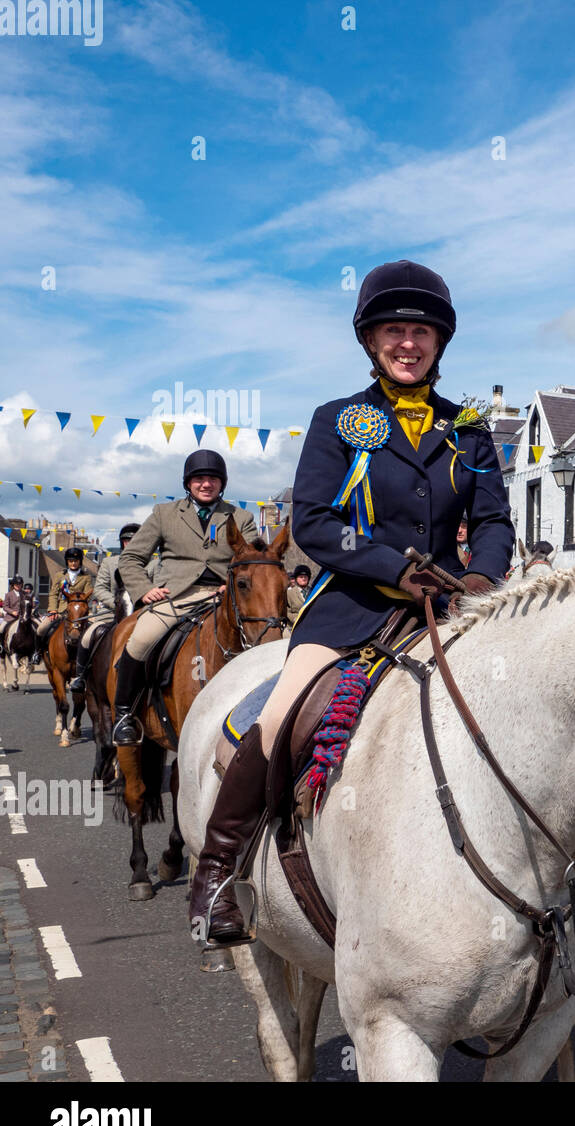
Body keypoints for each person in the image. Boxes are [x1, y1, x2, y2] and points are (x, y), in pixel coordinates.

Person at [189, 258, 513, 946]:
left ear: (439, 343)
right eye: (393, 330)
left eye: (421, 331)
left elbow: (492, 523)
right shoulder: (339, 420)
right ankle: (216, 867)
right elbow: (312, 519)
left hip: (456, 609)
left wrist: (482, 582)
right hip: (353, 607)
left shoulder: (471, 428)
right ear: (371, 340)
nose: (407, 342)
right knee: (280, 714)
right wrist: (395, 568)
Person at [112, 451, 260, 745]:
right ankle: (125, 715)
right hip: (175, 596)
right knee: (140, 639)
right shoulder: (163, 514)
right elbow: (130, 559)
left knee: (267, 643)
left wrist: (230, 587)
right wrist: (143, 590)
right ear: (188, 483)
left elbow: (255, 561)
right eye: (199, 479)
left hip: (224, 597)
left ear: (222, 483)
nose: (206, 484)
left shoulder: (241, 517)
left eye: (213, 479)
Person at [67, 523, 142, 694]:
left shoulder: (151, 564)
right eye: (126, 540)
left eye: (134, 540)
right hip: (112, 613)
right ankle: (81, 677)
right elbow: (100, 588)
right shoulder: (109, 562)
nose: (130, 543)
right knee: (87, 636)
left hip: (141, 613)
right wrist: (116, 603)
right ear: (122, 542)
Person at [34, 549, 95, 653]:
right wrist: (53, 610)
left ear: (80, 561)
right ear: (67, 562)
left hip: (80, 612)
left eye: (76, 561)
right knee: (41, 629)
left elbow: (88, 595)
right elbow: (54, 593)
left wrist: (77, 602)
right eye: (71, 561)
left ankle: (93, 655)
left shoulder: (86, 577)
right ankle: (38, 652)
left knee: (96, 627)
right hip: (61, 611)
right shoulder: (59, 576)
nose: (73, 563)